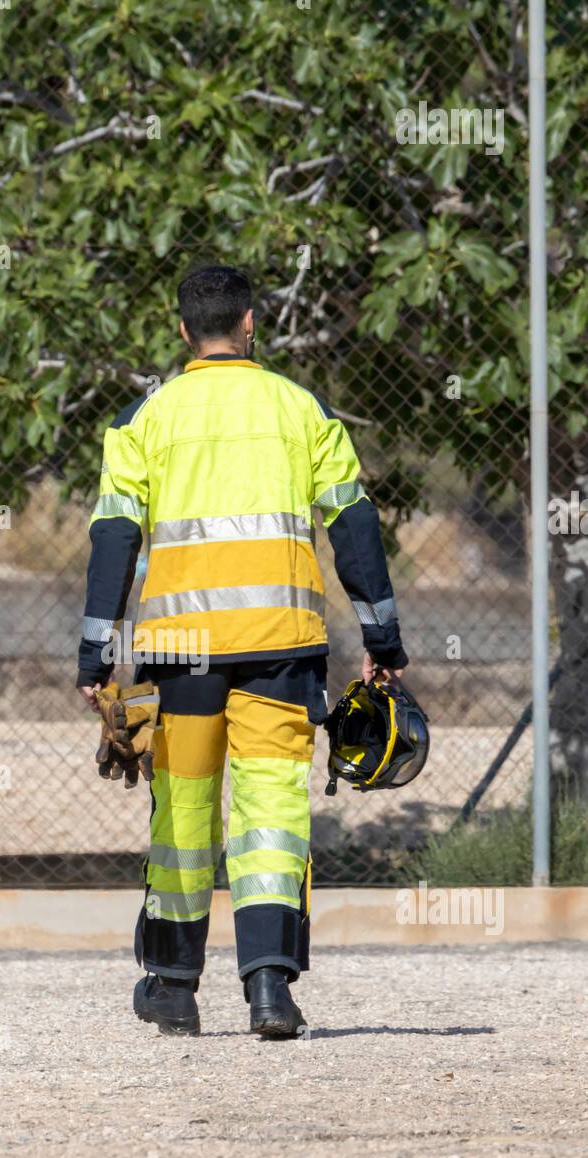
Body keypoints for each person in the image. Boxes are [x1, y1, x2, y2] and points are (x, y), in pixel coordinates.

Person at [76, 265, 407, 1038]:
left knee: (184, 813)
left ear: (183, 329)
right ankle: (269, 990)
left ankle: (172, 985)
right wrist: (382, 639)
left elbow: (113, 538)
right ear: (251, 322)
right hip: (281, 647)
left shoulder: (144, 417)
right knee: (271, 815)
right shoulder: (300, 409)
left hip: (179, 653)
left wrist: (96, 655)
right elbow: (355, 526)